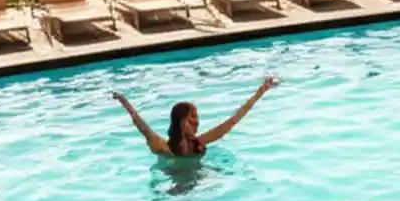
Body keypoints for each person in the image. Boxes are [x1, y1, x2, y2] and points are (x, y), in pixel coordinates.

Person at [112, 76, 278, 157]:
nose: (197, 121)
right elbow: (141, 125)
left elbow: (233, 120)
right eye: (193, 117)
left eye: (197, 116)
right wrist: (124, 102)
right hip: (173, 190)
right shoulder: (162, 147)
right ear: (182, 122)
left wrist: (261, 91)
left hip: (200, 185)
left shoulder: (200, 142)